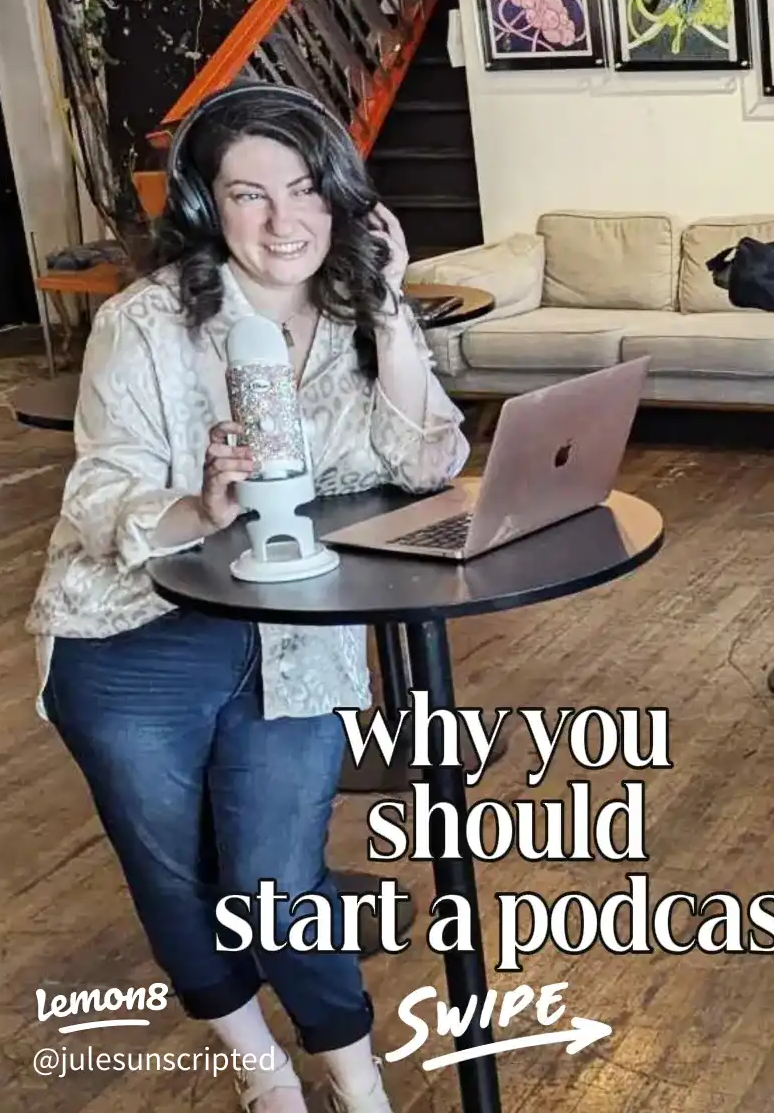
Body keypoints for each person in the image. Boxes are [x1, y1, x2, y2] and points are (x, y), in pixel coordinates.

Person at [25, 82, 470, 1113]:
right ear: (206, 206)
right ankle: (262, 1070)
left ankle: (356, 1083)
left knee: (277, 882)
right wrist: (197, 504)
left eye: (305, 189)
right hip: (132, 636)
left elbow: (427, 462)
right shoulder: (146, 323)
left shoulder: (358, 312)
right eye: (248, 194)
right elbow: (97, 491)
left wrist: (391, 303)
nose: (283, 221)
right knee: (176, 877)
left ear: (343, 198)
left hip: (294, 631)